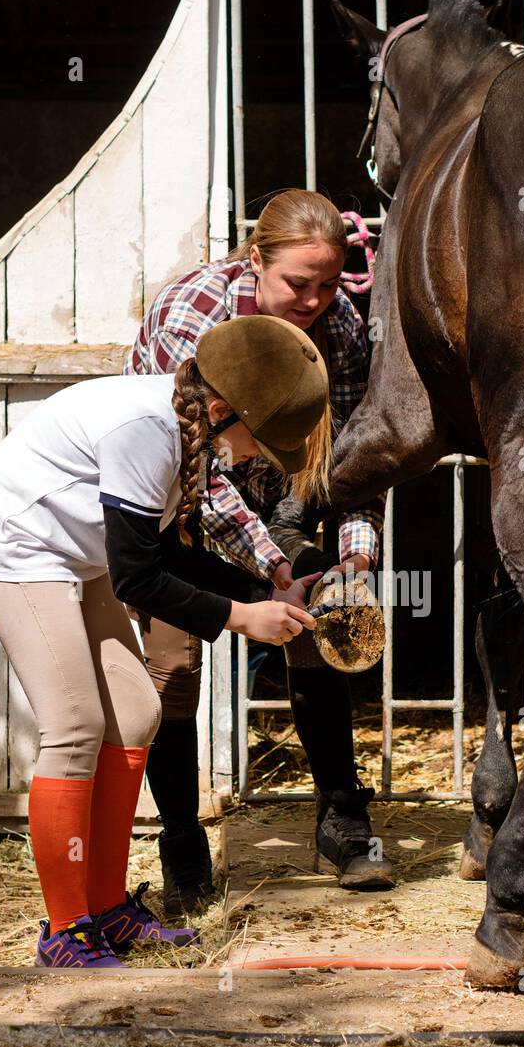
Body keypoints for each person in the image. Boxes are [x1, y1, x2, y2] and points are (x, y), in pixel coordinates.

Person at [0, 317, 326, 967]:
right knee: (76, 723)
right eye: (257, 441)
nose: (257, 456)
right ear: (218, 410)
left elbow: (164, 553)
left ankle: (106, 908)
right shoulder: (148, 435)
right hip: (16, 548)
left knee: (136, 709)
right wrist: (242, 617)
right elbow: (139, 577)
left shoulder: (186, 428)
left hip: (77, 553)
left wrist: (266, 590)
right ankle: (65, 933)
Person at [127, 188, 394, 909]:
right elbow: (188, 466)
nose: (314, 300)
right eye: (297, 284)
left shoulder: (338, 326)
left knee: (318, 627)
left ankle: (343, 819)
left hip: (282, 495)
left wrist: (355, 556)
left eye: (330, 283)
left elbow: (350, 453)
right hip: (177, 505)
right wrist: (272, 570)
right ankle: (183, 845)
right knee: (174, 670)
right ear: (255, 262)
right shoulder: (194, 317)